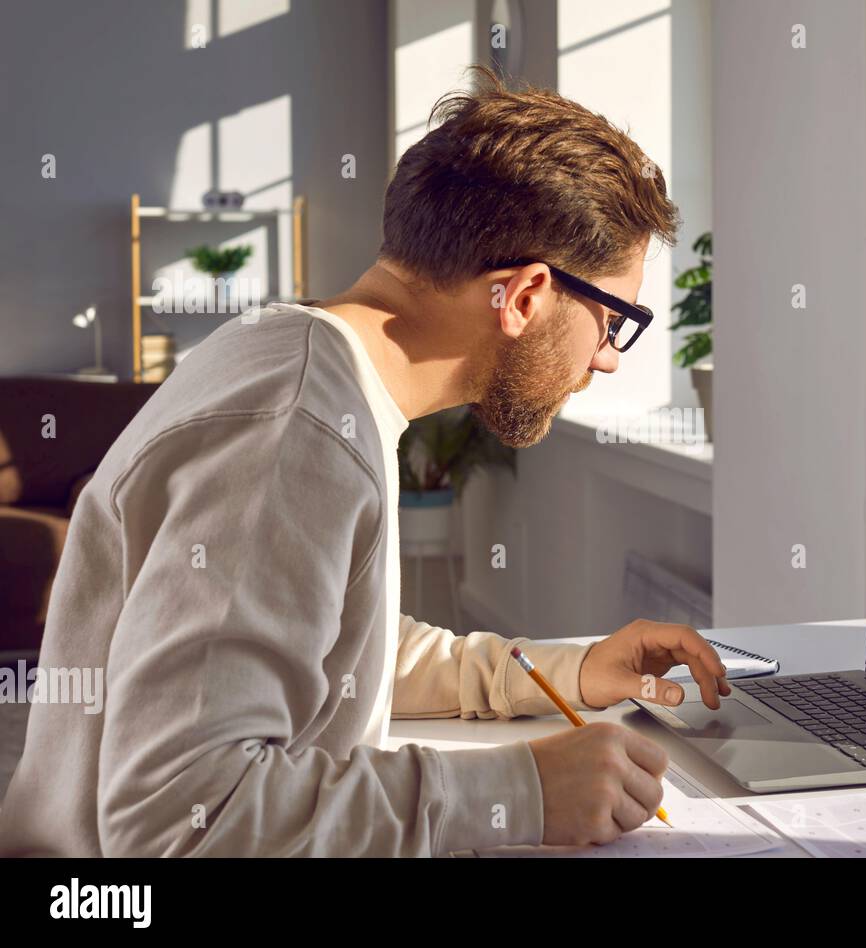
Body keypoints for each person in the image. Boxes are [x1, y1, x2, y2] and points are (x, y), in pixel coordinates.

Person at [0, 66, 730, 856]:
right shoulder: (295, 433)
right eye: (614, 321)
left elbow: (339, 654)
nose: (608, 361)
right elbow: (181, 819)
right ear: (523, 296)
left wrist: (575, 670)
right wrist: (518, 793)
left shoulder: (298, 356)